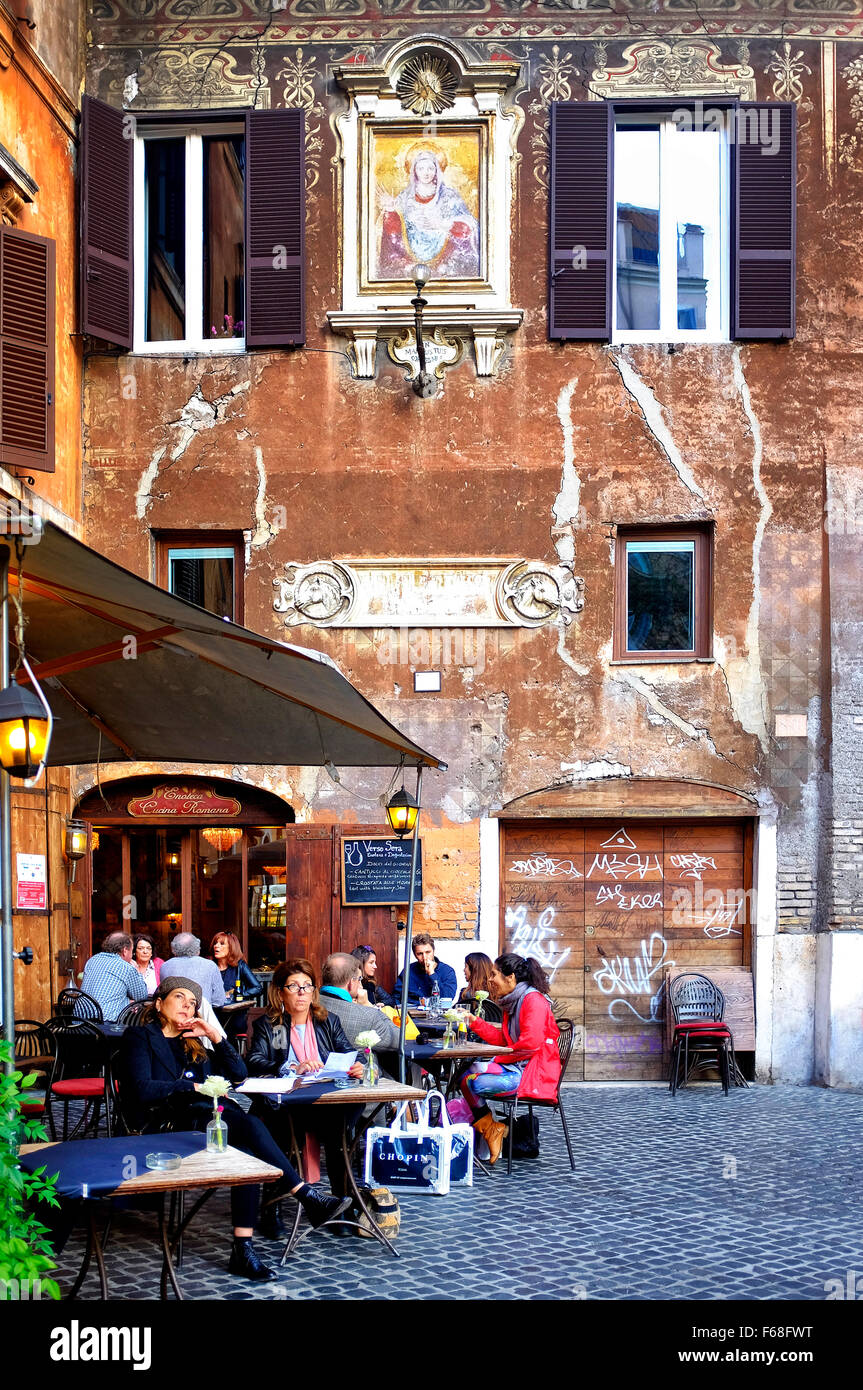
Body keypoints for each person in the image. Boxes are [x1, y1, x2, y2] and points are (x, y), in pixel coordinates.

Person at [119, 977, 351, 1281]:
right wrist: (194, 1087)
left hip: (209, 1120)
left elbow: (240, 1073)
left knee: (248, 1153)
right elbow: (140, 1089)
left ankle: (243, 1248)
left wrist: (215, 1035)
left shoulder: (193, 1042)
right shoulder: (140, 1036)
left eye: (193, 1003)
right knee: (250, 1125)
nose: (187, 1006)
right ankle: (304, 1194)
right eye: (180, 998)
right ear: (160, 1003)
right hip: (168, 1124)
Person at [247, 959, 364, 1233]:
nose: (301, 992)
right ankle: (272, 1206)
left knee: (340, 1135)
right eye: (294, 986)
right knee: (282, 1131)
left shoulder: (327, 1021)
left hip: (325, 1103)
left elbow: (350, 1054)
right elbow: (254, 1060)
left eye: (307, 986)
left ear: (314, 991)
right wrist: (288, 1067)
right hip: (284, 1105)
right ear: (280, 992)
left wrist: (358, 1065)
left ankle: (340, 1204)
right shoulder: (270, 1024)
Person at [459, 953, 561, 1165]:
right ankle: (492, 1128)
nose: (490, 979)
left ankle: (494, 1129)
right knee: (464, 1077)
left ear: (510, 977)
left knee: (475, 1081)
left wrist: (497, 1061)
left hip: (532, 1076)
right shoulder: (514, 1001)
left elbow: (530, 1044)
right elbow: (504, 1039)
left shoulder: (533, 1001)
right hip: (517, 1068)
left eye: (494, 974)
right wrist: (474, 1022)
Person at [378, 144, 480, 280]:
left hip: (445, 252)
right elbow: (395, 227)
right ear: (414, 171)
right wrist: (390, 210)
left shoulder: (449, 196)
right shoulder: (405, 197)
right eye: (421, 168)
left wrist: (443, 224)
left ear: (437, 170)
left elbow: (470, 225)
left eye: (430, 168)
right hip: (410, 251)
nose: (426, 173)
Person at [319, 953, 401, 1053]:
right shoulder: (368, 1016)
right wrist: (369, 1005)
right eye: (359, 979)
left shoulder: (308, 1006)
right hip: (361, 1067)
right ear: (351, 983)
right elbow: (398, 1039)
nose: (361, 985)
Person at [79, 932, 148, 1021]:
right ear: (125, 951)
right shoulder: (126, 967)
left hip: (80, 1022)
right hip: (106, 1024)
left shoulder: (92, 960)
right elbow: (141, 997)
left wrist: (125, 1001)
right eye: (132, 951)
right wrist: (137, 970)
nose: (132, 955)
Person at [160, 932, 226, 1007]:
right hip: (200, 1016)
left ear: (174, 949)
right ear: (197, 948)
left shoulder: (164, 966)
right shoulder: (210, 966)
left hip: (172, 1014)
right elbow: (219, 1000)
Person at [394, 932, 458, 1007]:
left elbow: (447, 997)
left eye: (428, 952)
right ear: (415, 954)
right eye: (420, 954)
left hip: (436, 1013)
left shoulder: (447, 971)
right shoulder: (408, 970)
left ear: (433, 950)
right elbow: (396, 996)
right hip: (411, 1013)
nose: (424, 957)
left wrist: (432, 974)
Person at [212, 932, 262, 1003]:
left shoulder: (240, 966)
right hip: (214, 1011)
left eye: (222, 943)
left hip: (235, 1011)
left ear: (231, 947)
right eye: (215, 943)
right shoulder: (210, 966)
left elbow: (258, 988)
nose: (216, 946)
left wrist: (239, 994)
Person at [458, 951, 503, 1024]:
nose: (464, 970)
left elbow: (458, 1018)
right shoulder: (498, 993)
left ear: (474, 970)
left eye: (465, 966)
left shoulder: (466, 994)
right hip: (495, 1031)